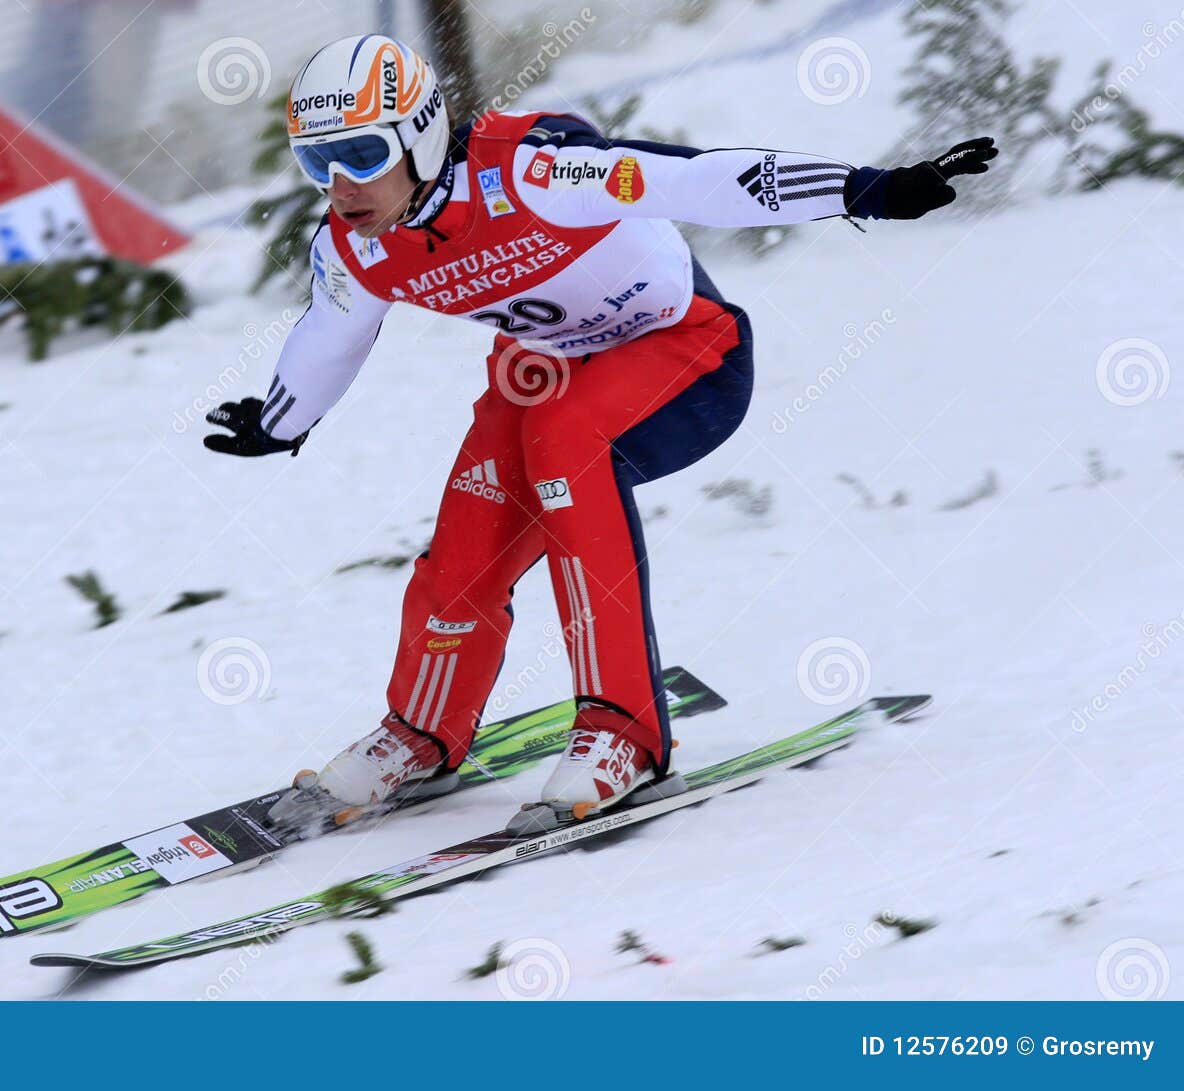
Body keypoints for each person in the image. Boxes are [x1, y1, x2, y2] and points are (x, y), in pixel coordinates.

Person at [205, 34, 994, 826]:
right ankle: (421, 731)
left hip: (689, 354)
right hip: (544, 368)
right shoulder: (355, 245)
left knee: (563, 434)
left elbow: (701, 181)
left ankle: (626, 734)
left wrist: (868, 188)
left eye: (362, 154)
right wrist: (280, 422)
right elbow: (331, 336)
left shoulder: (535, 173)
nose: (340, 185)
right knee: (467, 535)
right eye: (318, 163)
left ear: (420, 135)